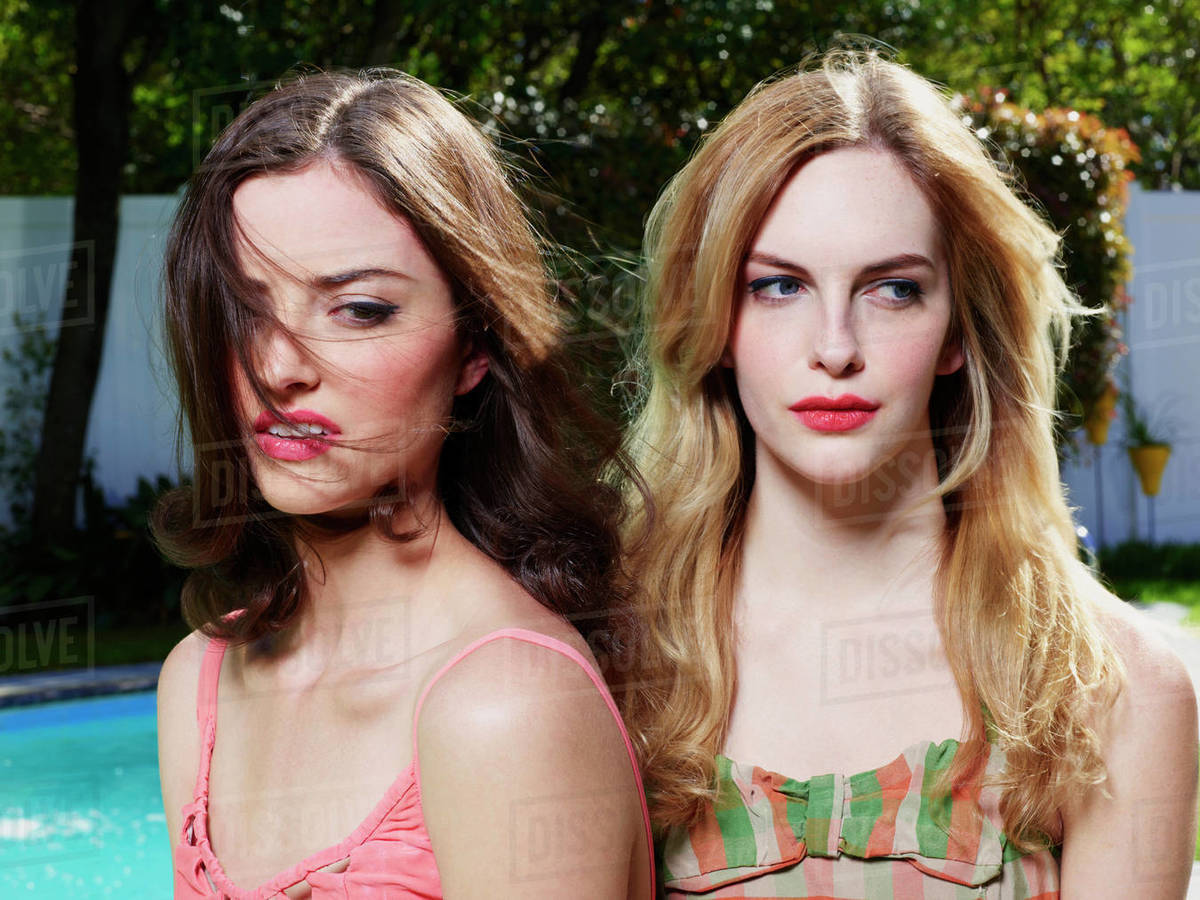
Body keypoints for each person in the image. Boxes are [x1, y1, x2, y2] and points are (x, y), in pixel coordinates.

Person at [619, 50, 1197, 898]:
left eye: (892, 290)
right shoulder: (611, 659)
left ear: (959, 331)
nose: (835, 349)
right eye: (779, 287)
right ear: (715, 323)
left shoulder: (1112, 691)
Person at [153, 70, 653, 899]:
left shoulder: (506, 706)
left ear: (474, 349)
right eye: (246, 309)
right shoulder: (199, 680)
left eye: (358, 310)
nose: (279, 368)